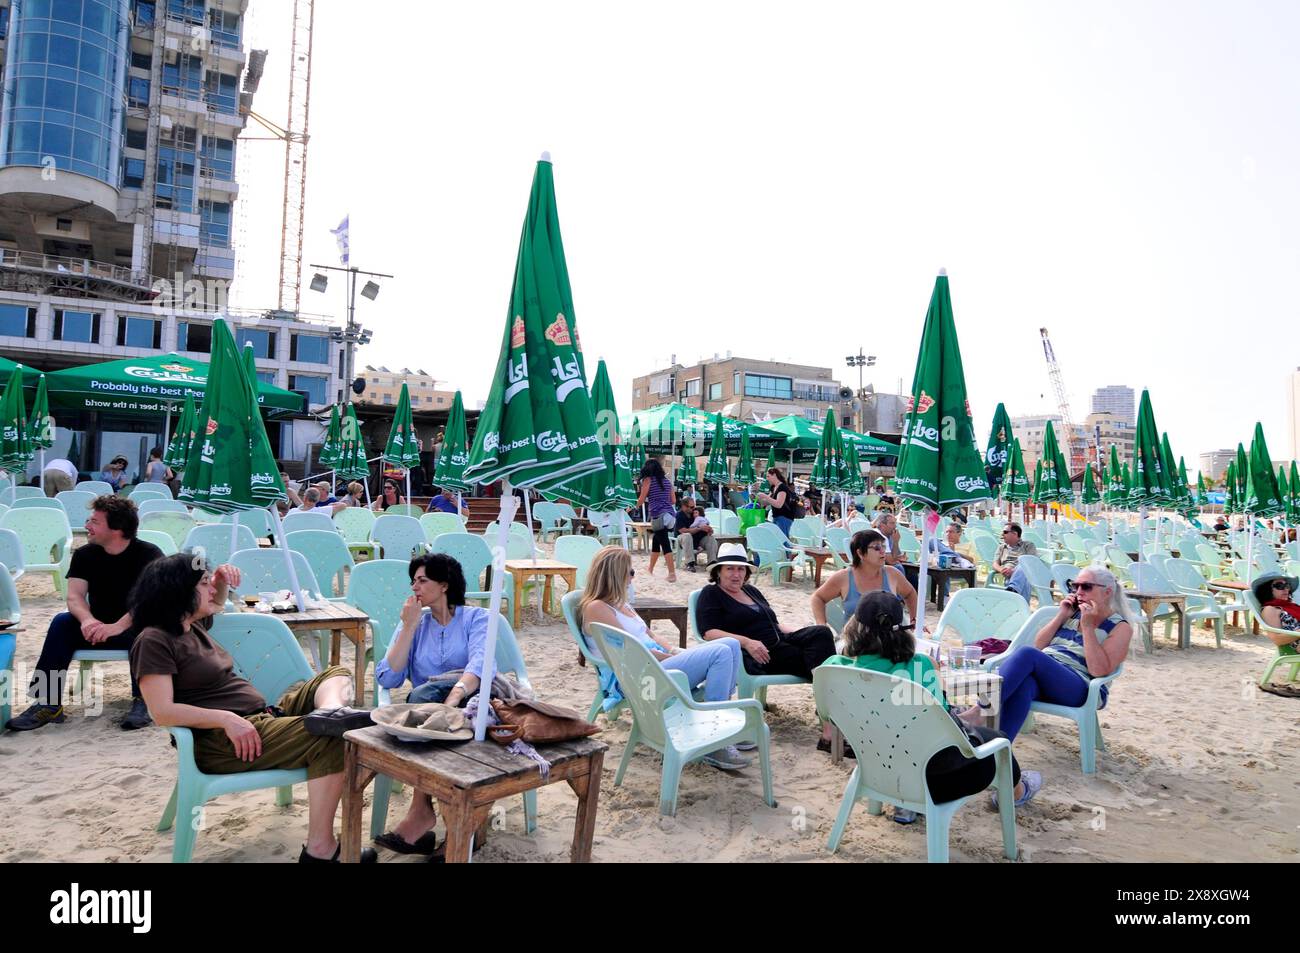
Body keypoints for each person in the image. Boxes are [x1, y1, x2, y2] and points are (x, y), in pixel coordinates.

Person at [129, 554, 377, 863]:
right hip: (221, 740)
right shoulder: (154, 640)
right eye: (202, 584)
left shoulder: (191, 624)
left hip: (262, 717)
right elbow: (161, 711)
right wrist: (226, 719)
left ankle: (329, 713)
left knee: (334, 674)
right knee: (331, 740)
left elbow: (216, 603)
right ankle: (320, 850)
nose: (210, 591)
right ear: (178, 591)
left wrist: (218, 579)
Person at [822, 591, 1036, 821]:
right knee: (998, 739)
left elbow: (826, 715)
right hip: (931, 780)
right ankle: (1018, 792)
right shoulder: (921, 666)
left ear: (854, 627)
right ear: (902, 629)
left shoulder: (833, 667)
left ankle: (905, 804)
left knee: (922, 732)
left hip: (872, 769)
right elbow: (941, 725)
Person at [580, 546, 750, 770]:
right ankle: (713, 734)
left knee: (730, 645)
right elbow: (630, 653)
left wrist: (673, 650)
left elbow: (649, 634)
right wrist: (673, 656)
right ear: (615, 574)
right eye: (630, 572)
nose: (633, 577)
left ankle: (718, 722)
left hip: (653, 663)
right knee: (720, 652)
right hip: (639, 675)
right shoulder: (597, 608)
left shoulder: (620, 604)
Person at [5, 496, 163, 731]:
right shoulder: (85, 555)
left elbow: (150, 602)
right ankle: (48, 703)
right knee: (62, 622)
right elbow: (75, 596)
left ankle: (143, 701)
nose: (87, 525)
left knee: (149, 630)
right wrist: (88, 620)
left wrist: (118, 626)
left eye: (95, 522)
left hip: (134, 629)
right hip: (96, 628)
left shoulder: (149, 555)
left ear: (117, 528)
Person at [372, 553, 491, 855]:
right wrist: (409, 627)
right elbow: (388, 678)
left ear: (444, 584)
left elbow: (481, 664)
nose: (415, 587)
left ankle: (460, 824)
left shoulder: (477, 618)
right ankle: (427, 812)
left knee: (435, 713)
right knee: (421, 707)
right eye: (413, 581)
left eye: (422, 580)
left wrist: (454, 697)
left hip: (468, 700)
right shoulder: (415, 621)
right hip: (427, 709)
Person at [959, 567, 1132, 747]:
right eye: (1075, 586)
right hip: (1050, 676)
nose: (1079, 592)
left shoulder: (1120, 627)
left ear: (1107, 592)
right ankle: (997, 750)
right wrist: (1062, 615)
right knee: (1024, 686)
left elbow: (1098, 670)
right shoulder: (1073, 613)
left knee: (1027, 653)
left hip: (1083, 686)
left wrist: (1087, 628)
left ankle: (980, 711)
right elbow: (1039, 645)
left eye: (1086, 587)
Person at [695, 543, 837, 749]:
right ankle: (830, 726)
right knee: (822, 663)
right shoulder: (711, 594)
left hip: (781, 642)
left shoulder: (751, 591)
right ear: (718, 571)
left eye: (741, 569)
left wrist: (802, 634)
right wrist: (746, 642)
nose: (736, 574)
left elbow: (776, 625)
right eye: (730, 569)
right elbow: (708, 633)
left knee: (821, 634)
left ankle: (827, 716)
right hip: (758, 655)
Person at [811, 529, 921, 631]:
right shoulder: (844, 577)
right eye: (877, 548)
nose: (883, 551)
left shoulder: (892, 574)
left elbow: (910, 593)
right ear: (860, 553)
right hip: (855, 643)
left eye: (883, 546)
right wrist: (821, 624)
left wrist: (914, 619)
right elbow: (818, 597)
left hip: (889, 641)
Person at [634, 458, 678, 582]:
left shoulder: (648, 480)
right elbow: (673, 501)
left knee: (665, 544)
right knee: (656, 541)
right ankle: (650, 569)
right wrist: (662, 499)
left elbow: (641, 499)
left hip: (659, 515)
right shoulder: (667, 481)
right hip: (670, 515)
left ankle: (672, 573)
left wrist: (632, 507)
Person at [1253, 572, 1300, 669]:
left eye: (1287, 585)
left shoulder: (1290, 606)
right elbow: (1277, 639)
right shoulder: (1270, 609)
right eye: (1280, 586)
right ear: (1267, 589)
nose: (1286, 589)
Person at [927, 522, 976, 604]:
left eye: (951, 532)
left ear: (959, 534)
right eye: (947, 532)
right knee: (931, 541)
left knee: (944, 563)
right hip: (944, 566)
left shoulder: (968, 545)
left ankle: (956, 558)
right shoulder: (942, 545)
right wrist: (949, 552)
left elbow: (972, 561)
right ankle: (945, 597)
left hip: (961, 569)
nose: (948, 534)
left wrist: (956, 553)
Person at [993, 523, 1038, 603]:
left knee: (1023, 564)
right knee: (1025, 580)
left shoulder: (1028, 545)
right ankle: (1015, 594)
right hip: (1008, 575)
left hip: (1022, 572)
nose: (1002, 534)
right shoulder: (1002, 547)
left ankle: (1012, 590)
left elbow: (1031, 562)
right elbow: (995, 564)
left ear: (1015, 534)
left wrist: (1014, 571)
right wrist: (1002, 570)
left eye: (1005, 532)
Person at [754, 467, 800, 540]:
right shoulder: (773, 487)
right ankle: (785, 551)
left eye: (768, 476)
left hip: (784, 517)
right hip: (776, 517)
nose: (767, 479)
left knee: (782, 540)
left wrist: (765, 496)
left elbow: (779, 504)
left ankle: (788, 552)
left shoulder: (782, 487)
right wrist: (757, 497)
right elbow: (767, 502)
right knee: (777, 539)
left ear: (774, 475)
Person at [675, 498, 718, 571]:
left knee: (711, 539)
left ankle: (712, 562)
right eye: (691, 507)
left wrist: (708, 529)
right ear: (684, 506)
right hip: (682, 539)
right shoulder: (679, 515)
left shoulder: (695, 514)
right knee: (687, 535)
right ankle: (690, 563)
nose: (694, 508)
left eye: (694, 506)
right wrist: (699, 528)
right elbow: (682, 530)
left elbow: (703, 523)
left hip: (697, 539)